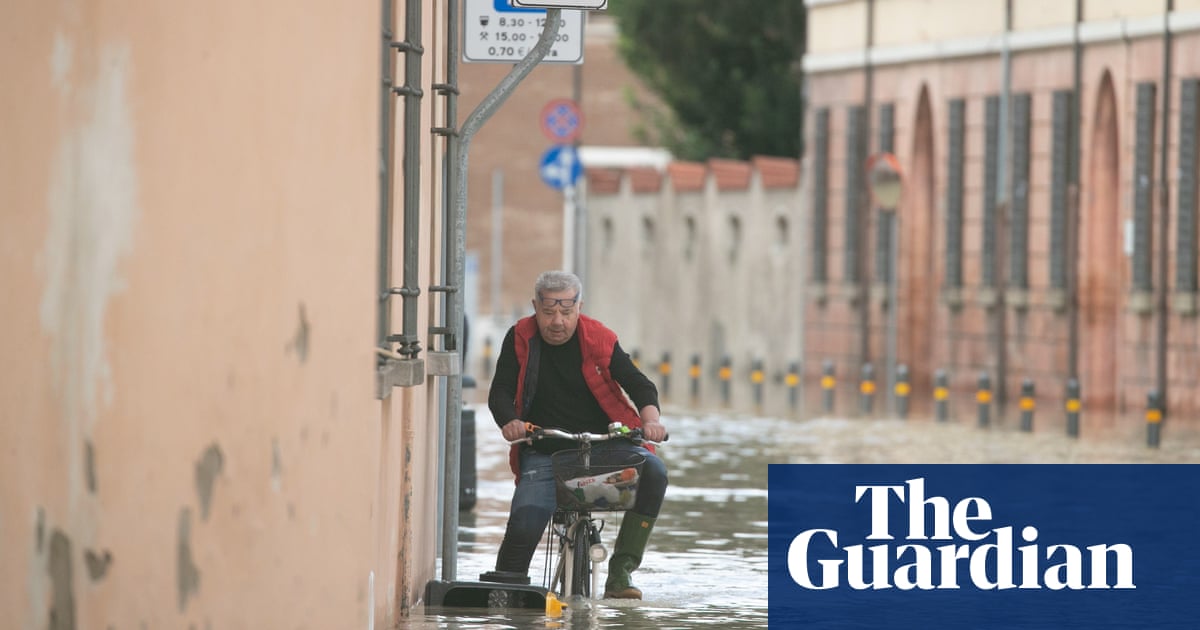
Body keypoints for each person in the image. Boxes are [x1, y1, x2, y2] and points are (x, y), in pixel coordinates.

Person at [486, 270, 668, 599]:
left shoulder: (599, 337)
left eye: (567, 312)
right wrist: (509, 421)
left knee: (654, 471)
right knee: (524, 523)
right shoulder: (519, 337)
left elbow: (639, 384)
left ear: (579, 308)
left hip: (605, 447)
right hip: (544, 450)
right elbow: (499, 391)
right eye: (549, 312)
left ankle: (621, 571)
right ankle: (507, 592)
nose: (558, 322)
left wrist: (651, 420)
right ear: (535, 307)